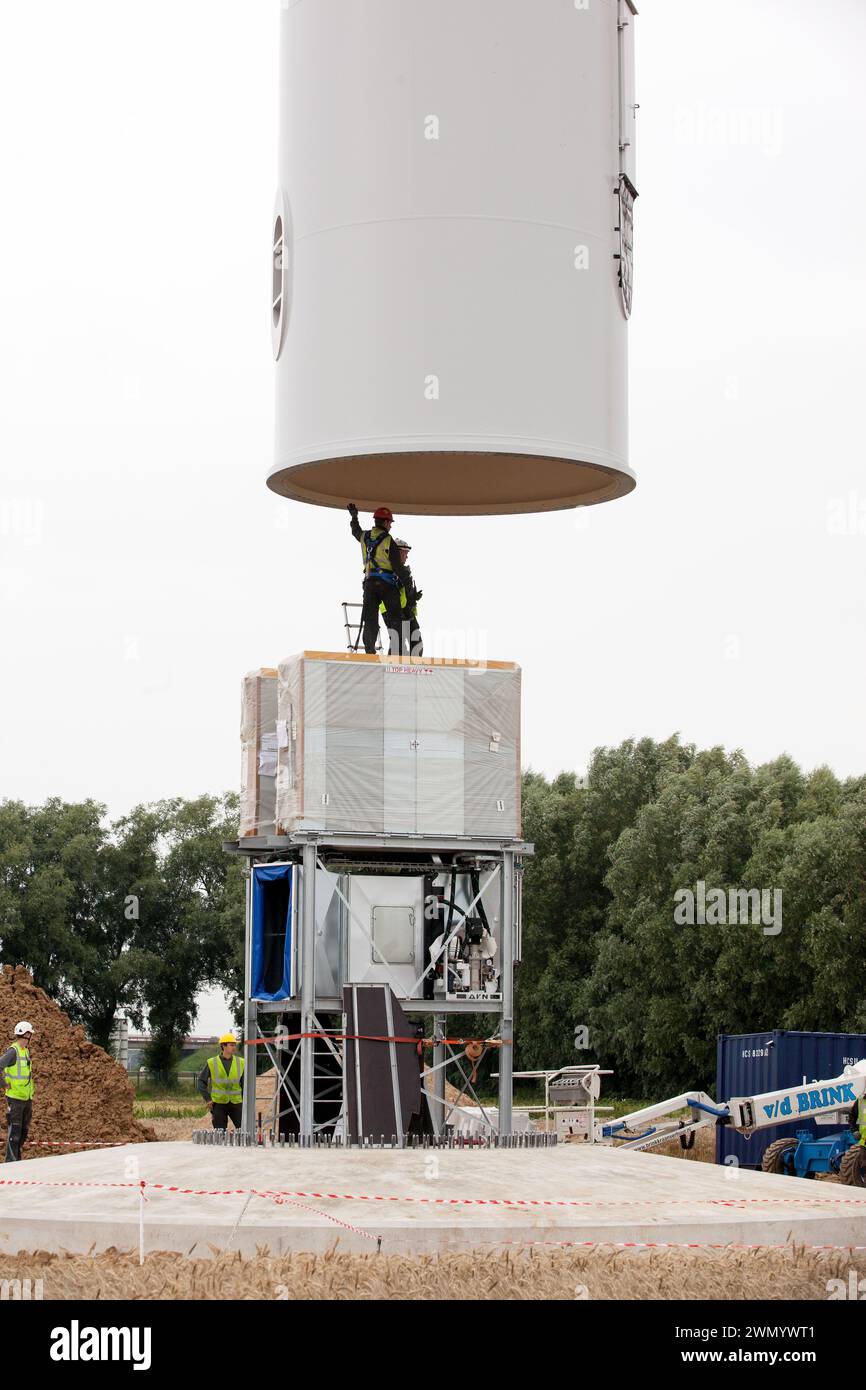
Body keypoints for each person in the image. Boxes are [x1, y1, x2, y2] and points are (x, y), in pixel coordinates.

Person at [347, 503, 410, 655]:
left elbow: (355, 531)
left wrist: (354, 517)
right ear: (386, 522)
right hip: (388, 585)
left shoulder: (365, 537)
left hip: (370, 584)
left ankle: (369, 651)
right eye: (390, 523)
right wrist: (406, 584)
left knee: (370, 619)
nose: (391, 526)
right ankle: (395, 651)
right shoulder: (389, 541)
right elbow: (397, 566)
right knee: (395, 620)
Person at [380, 538, 423, 656]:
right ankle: (392, 668)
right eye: (405, 552)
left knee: (416, 642)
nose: (407, 556)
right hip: (392, 610)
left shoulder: (403, 571)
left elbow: (405, 592)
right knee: (397, 642)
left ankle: (414, 669)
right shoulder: (387, 570)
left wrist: (413, 596)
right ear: (397, 552)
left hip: (407, 611)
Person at [197, 1033, 245, 1132]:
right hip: (218, 1104)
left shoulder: (241, 1062)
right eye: (231, 1045)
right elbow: (201, 1081)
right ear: (223, 1046)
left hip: (236, 1103)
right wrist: (208, 1099)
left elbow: (244, 1084)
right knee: (220, 1133)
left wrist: (245, 1101)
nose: (234, 1047)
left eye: (234, 1045)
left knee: (243, 1131)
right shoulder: (212, 1062)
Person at [2, 1022, 35, 1162]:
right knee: (14, 1133)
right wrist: (3, 1084)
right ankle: (11, 1163)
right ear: (26, 1034)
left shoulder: (25, 1051)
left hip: (26, 1098)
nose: (32, 1036)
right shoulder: (13, 1051)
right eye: (30, 1034)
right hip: (15, 1099)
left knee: (22, 1133)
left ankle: (17, 1162)